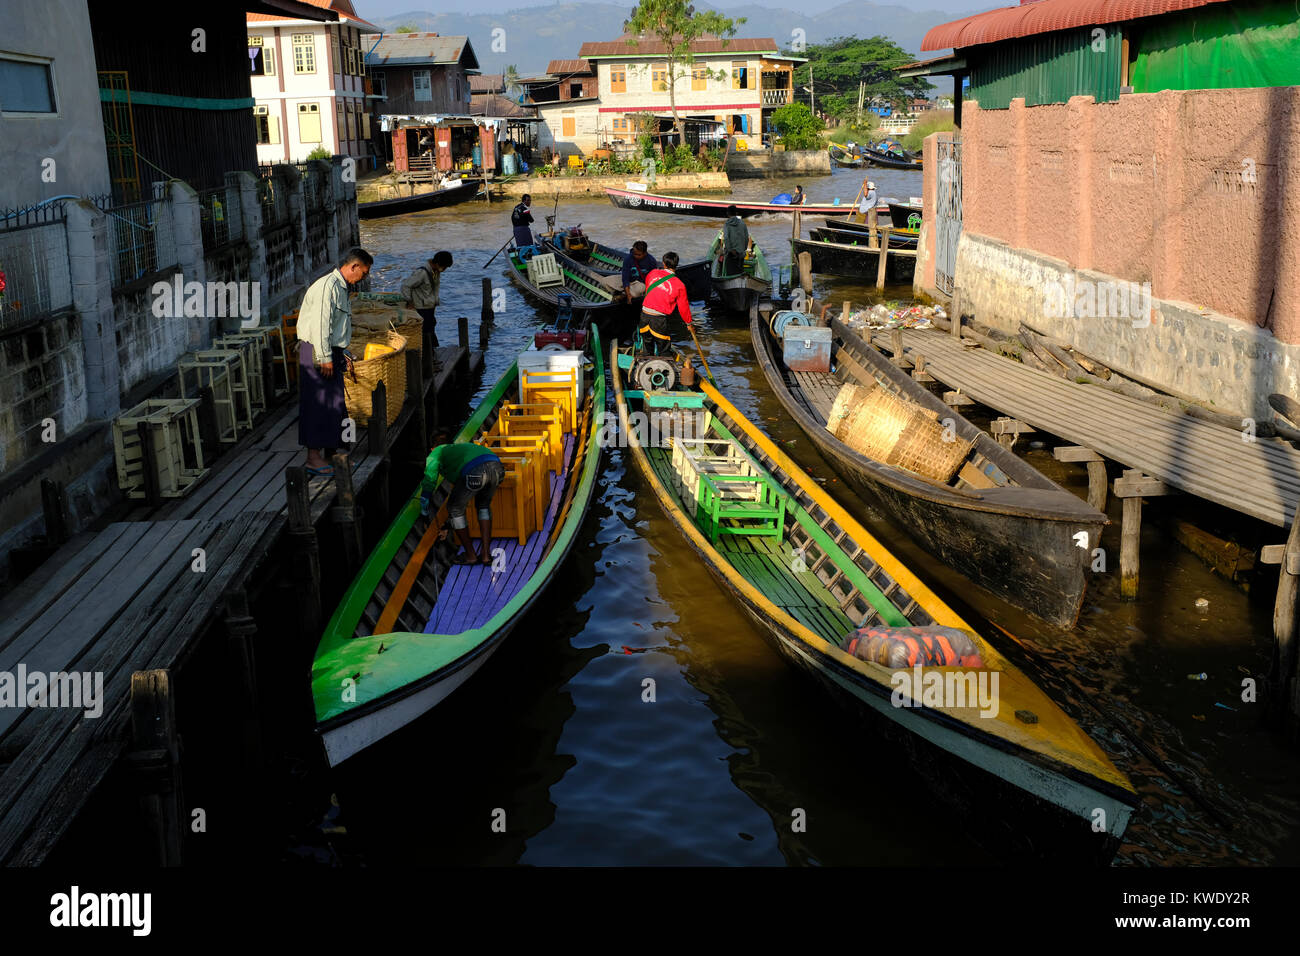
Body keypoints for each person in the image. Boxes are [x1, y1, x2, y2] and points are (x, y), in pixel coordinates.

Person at [296, 246, 372, 476]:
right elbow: (321, 325)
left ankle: (333, 452)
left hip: (331, 351)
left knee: (336, 405)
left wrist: (342, 353)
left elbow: (337, 328)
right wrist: (326, 357)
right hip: (316, 353)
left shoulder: (342, 288)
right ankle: (313, 457)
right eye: (364, 273)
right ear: (354, 266)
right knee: (317, 405)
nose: (364, 277)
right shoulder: (327, 287)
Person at [422, 433, 505, 566]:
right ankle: (486, 556)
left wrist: (424, 503)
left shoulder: (437, 452)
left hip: (476, 472)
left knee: (454, 508)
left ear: (433, 448)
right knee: (483, 505)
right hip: (498, 469)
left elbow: (430, 478)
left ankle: (471, 556)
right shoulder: (459, 449)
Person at [637, 251, 693, 357]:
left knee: (647, 348)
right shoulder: (679, 285)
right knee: (664, 350)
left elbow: (648, 287)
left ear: (664, 263)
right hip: (658, 320)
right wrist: (689, 324)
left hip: (644, 316)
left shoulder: (652, 273)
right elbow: (683, 307)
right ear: (676, 265)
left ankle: (646, 364)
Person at [401, 250, 453, 351]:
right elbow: (406, 286)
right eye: (445, 267)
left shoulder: (435, 272)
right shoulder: (422, 273)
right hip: (421, 309)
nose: (445, 269)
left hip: (429, 308)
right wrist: (409, 302)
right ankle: (427, 357)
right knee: (425, 334)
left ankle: (431, 355)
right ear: (438, 263)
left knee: (430, 331)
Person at [709, 206, 752, 276]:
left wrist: (731, 250)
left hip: (730, 254)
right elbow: (746, 238)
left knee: (731, 274)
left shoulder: (727, 224)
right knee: (739, 272)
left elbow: (726, 238)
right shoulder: (742, 223)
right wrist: (742, 250)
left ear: (728, 214)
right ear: (736, 213)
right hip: (740, 254)